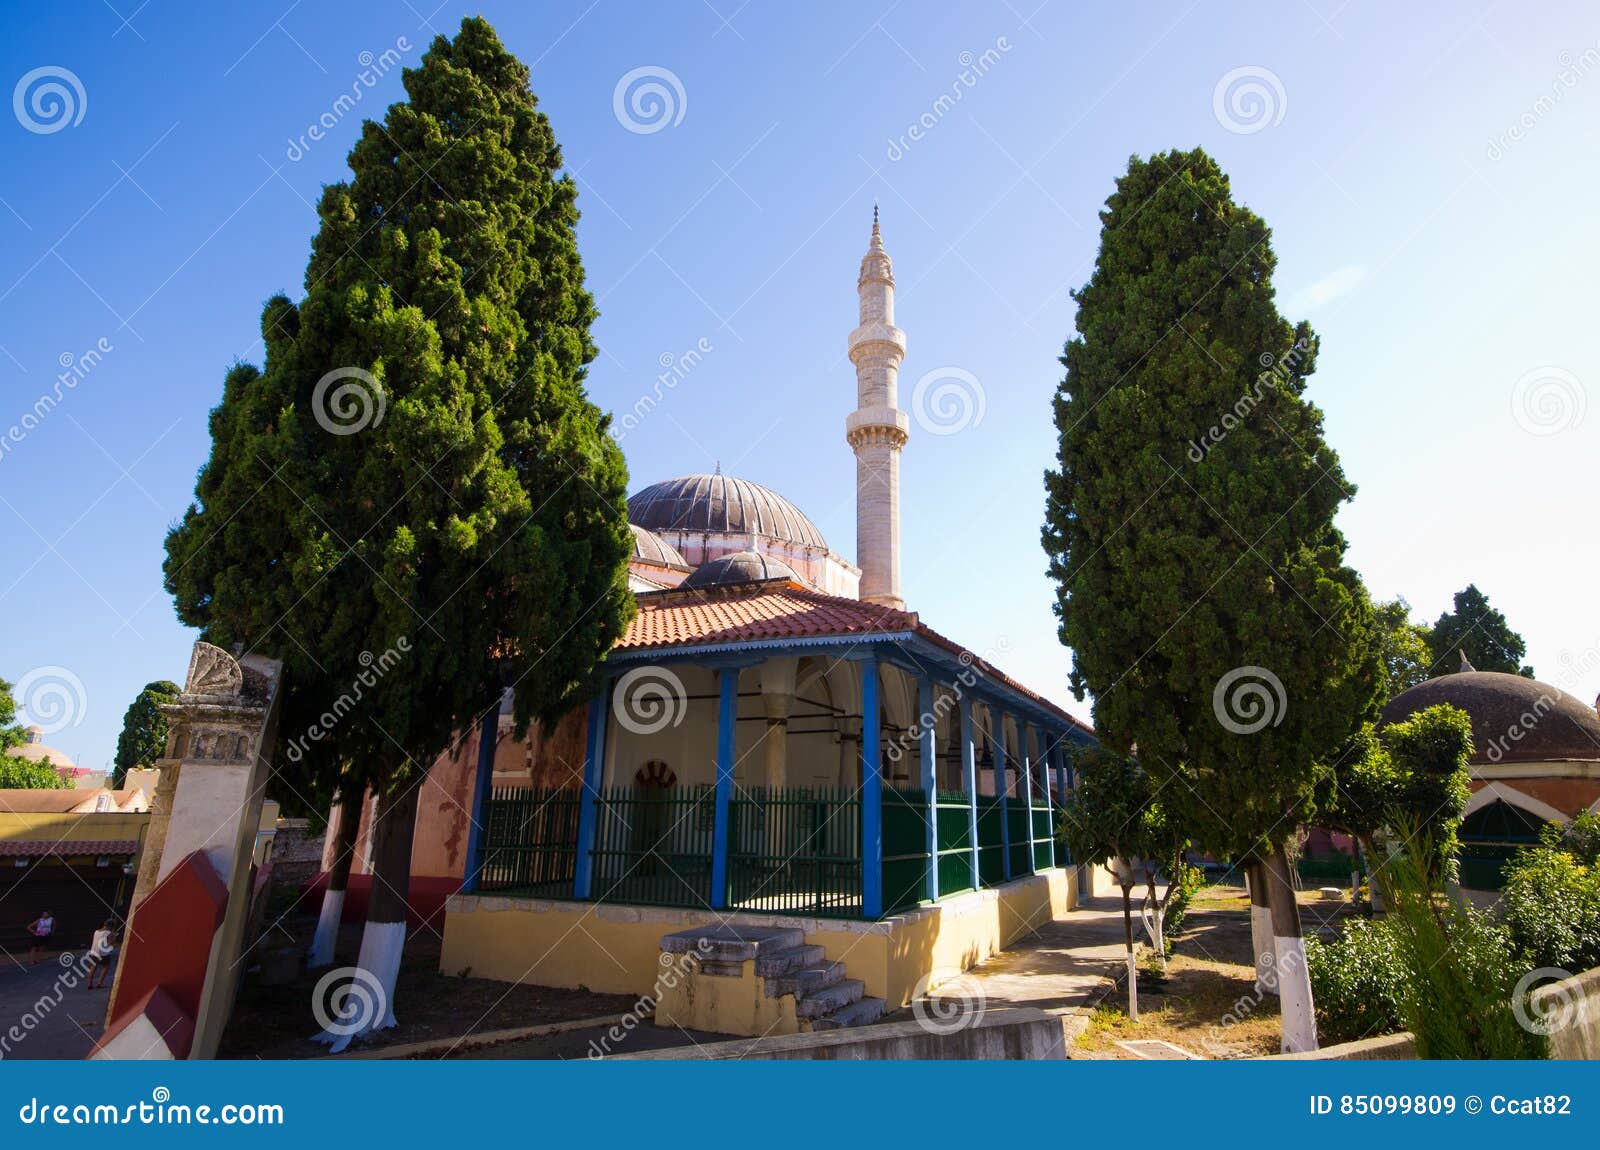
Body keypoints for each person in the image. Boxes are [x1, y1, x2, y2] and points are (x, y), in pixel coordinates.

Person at [85, 920, 118, 989]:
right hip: (102, 954)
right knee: (105, 967)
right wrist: (114, 936)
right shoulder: (108, 933)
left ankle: (89, 984)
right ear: (110, 926)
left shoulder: (96, 931)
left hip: (93, 952)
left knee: (93, 967)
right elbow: (111, 943)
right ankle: (100, 983)